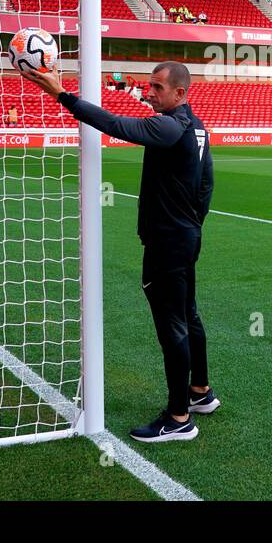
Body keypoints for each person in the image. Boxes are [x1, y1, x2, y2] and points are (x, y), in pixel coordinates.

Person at [23, 60, 216, 443]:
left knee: (173, 327)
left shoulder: (169, 126)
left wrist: (61, 93)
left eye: (157, 87)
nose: (149, 92)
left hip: (168, 243)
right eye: (148, 85)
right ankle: (200, 393)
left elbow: (113, 124)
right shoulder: (197, 128)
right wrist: (192, 224)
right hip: (185, 237)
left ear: (179, 93)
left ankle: (178, 419)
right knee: (188, 315)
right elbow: (207, 183)